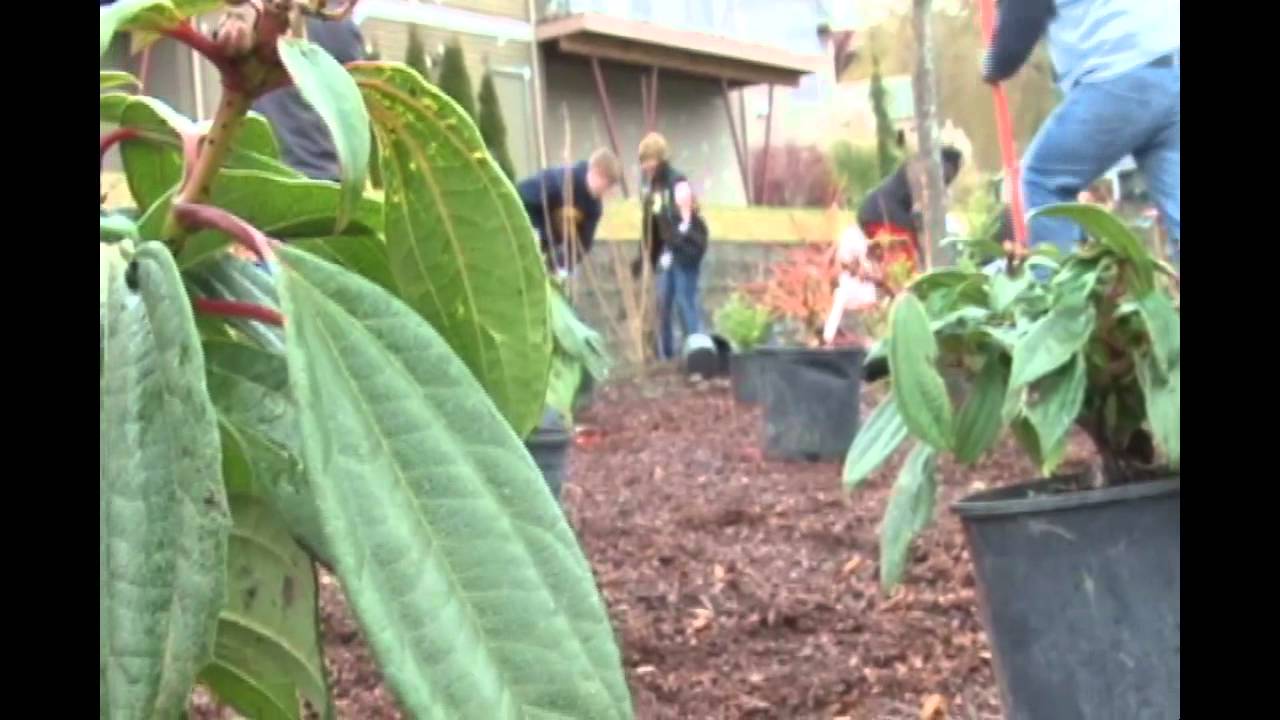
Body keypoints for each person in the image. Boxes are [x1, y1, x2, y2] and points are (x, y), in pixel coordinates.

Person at [983, 0, 1179, 264]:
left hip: (1118, 73)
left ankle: (1060, 297)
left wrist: (993, 63)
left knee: (1042, 180)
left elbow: (1020, 24)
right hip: (1169, 65)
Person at [252, 16, 366, 183]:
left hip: (261, 172)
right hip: (322, 175)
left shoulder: (259, 15)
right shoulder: (339, 25)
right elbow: (352, 110)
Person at [632, 132, 709, 361]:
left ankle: (699, 353)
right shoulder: (650, 188)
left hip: (686, 252)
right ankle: (666, 356)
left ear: (661, 158)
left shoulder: (677, 182)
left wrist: (672, 251)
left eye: (650, 159)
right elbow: (650, 224)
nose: (646, 165)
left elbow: (685, 225)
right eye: (643, 160)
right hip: (666, 253)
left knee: (685, 302)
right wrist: (643, 255)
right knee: (663, 303)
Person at [515, 148, 622, 276]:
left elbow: (582, 244)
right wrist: (535, 235)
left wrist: (558, 262)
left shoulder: (594, 208)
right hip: (524, 239)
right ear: (596, 173)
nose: (606, 192)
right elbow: (521, 199)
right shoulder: (559, 181)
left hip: (548, 256)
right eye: (606, 186)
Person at [856, 147, 964, 272]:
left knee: (899, 265)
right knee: (908, 266)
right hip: (883, 215)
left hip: (873, 212)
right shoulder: (926, 172)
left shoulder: (917, 165)